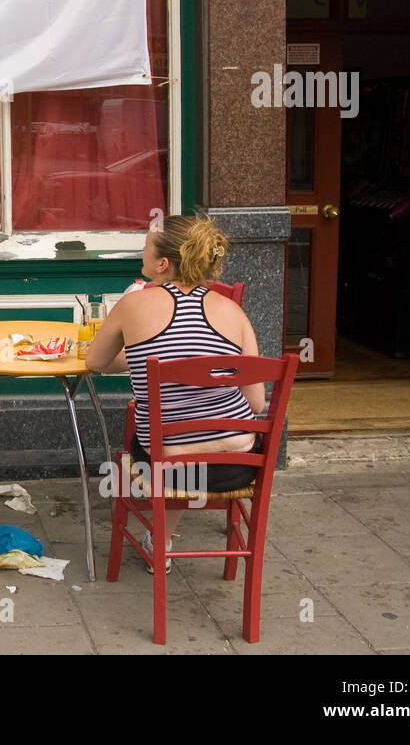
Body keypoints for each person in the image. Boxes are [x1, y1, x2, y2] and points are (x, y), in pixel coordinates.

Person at [85, 215, 267, 573]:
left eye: (145, 250)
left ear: (162, 264)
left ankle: (162, 544)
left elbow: (96, 362)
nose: (140, 256)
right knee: (187, 438)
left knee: (160, 440)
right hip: (237, 468)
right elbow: (258, 402)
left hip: (171, 470)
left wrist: (139, 355)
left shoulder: (134, 305)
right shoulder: (233, 311)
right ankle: (167, 540)